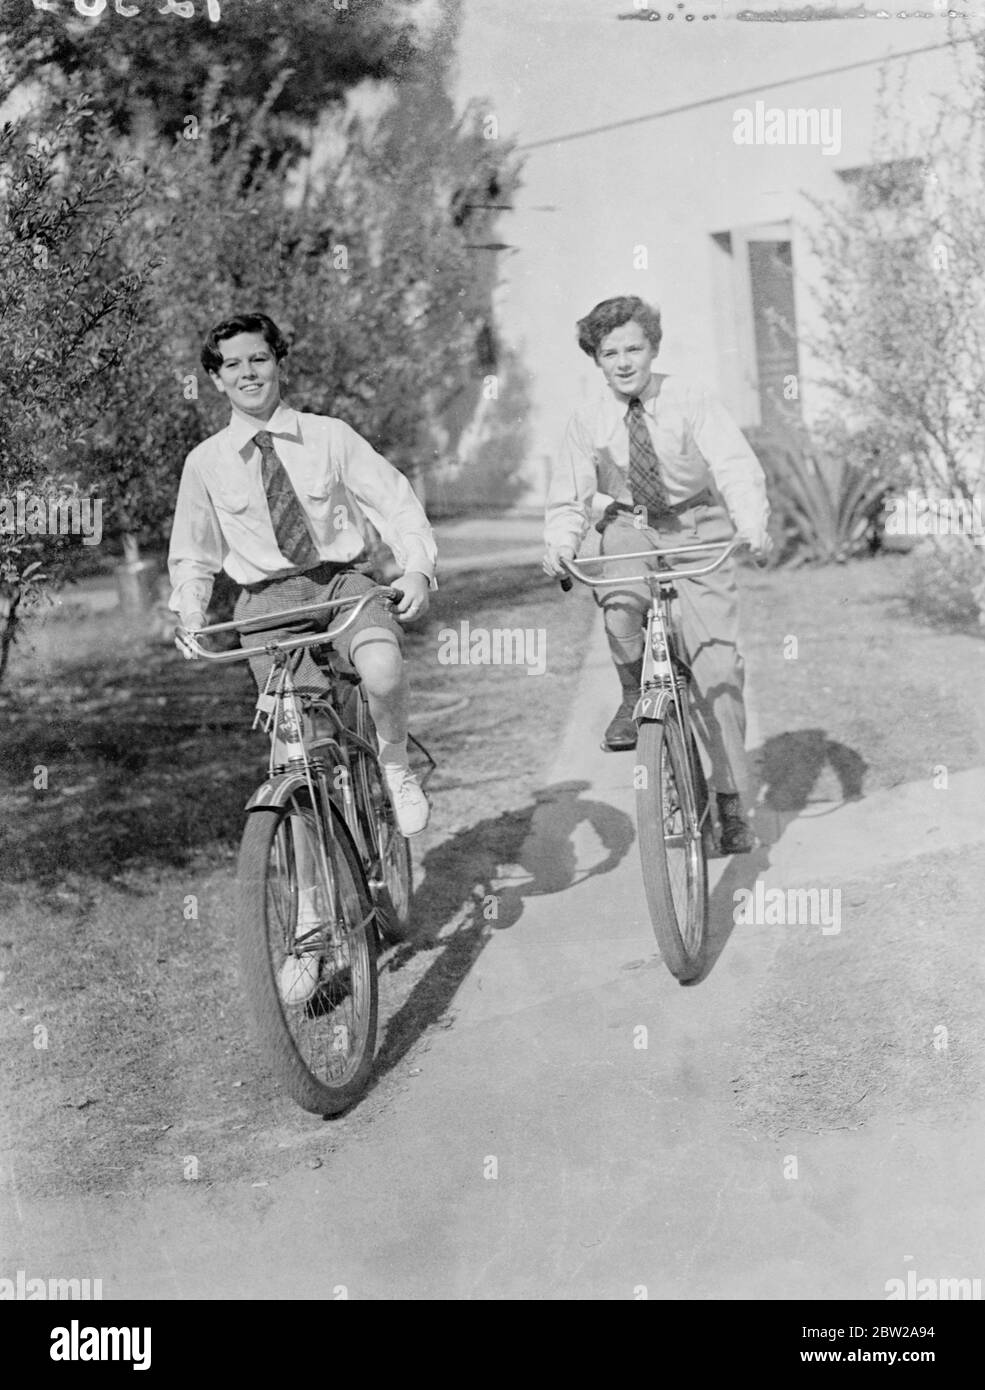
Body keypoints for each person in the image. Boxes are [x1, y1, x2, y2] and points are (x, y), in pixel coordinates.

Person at [168, 310, 436, 846]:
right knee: (299, 754)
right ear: (216, 378)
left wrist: (418, 570)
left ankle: (396, 766)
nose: (248, 373)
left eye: (259, 359)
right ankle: (313, 894)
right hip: (266, 606)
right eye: (232, 365)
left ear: (279, 364)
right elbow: (193, 556)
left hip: (342, 585)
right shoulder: (206, 463)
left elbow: (394, 502)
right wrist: (191, 617)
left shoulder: (328, 436)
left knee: (382, 671)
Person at [542, 295, 771, 854]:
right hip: (631, 525)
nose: (623, 362)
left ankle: (730, 797)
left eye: (634, 348)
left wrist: (753, 525)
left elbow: (735, 466)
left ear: (653, 349)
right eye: (609, 352)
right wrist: (559, 544)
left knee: (718, 669)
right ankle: (631, 697)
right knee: (619, 599)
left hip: (696, 526)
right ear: (596, 359)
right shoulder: (587, 418)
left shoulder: (691, 400)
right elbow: (569, 497)